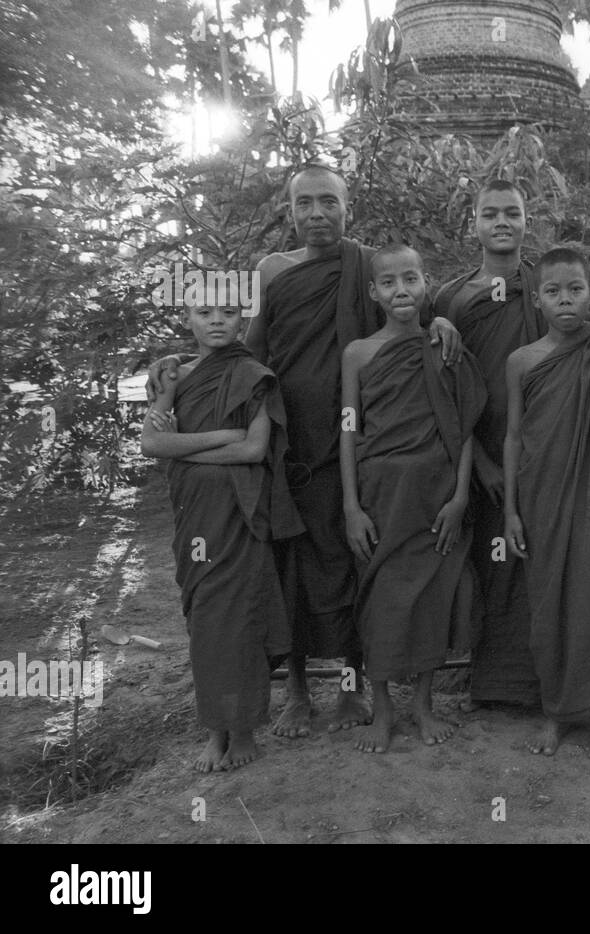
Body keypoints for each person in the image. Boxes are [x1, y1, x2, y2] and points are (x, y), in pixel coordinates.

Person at [149, 164, 463, 737]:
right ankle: (296, 693)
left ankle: (350, 689)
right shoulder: (274, 270)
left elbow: (405, 300)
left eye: (329, 202)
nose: (317, 214)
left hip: (349, 449)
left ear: (349, 208)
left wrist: (440, 318)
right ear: (289, 211)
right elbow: (248, 346)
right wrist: (182, 363)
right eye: (304, 204)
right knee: (288, 571)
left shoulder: (365, 264)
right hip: (285, 443)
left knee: (346, 568)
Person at [142, 304, 302, 772]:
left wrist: (184, 450)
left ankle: (246, 729)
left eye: (228, 312)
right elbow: (151, 444)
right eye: (204, 312)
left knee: (242, 617)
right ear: (188, 320)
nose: (216, 321)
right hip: (194, 518)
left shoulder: (256, 376)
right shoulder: (174, 377)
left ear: (242, 321)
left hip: (240, 516)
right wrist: (219, 437)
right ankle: (215, 732)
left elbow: (253, 450)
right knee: (207, 621)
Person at [340, 244, 487, 753]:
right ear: (373, 292)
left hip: (436, 493)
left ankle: (422, 706)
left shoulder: (443, 344)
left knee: (431, 598)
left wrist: (461, 495)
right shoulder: (357, 353)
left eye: (410, 279)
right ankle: (382, 707)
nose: (400, 291)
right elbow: (347, 428)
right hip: (380, 496)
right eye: (389, 282)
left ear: (427, 283)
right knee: (380, 601)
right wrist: (350, 506)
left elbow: (464, 422)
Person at [503, 247, 590, 759]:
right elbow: (514, 436)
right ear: (537, 300)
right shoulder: (522, 361)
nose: (565, 300)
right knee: (548, 606)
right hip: (542, 498)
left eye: (575, 290)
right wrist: (510, 509)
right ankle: (556, 711)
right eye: (554, 291)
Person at [429, 179, 545, 711]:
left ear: (527, 220)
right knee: (489, 561)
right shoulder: (453, 298)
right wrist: (480, 460)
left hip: (542, 448)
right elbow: (446, 391)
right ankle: (489, 681)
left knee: (536, 563)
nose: (502, 222)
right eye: (490, 213)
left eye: (513, 213)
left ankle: (539, 679)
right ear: (472, 223)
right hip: (478, 451)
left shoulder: (546, 288)